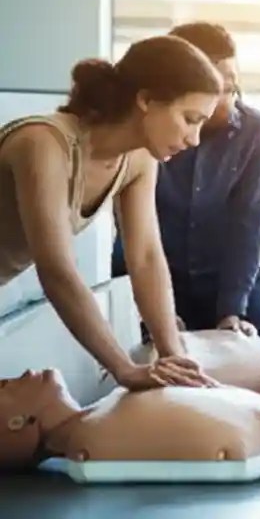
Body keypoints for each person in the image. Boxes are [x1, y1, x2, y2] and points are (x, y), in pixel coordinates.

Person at [0, 35, 222, 391]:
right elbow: (56, 270)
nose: (194, 139)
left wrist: (172, 354)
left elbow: (146, 257)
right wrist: (124, 369)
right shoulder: (43, 144)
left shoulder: (138, 160)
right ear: (146, 99)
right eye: (189, 118)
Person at [110, 22, 260, 355]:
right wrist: (154, 309)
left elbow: (248, 227)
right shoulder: (146, 134)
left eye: (234, 88)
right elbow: (132, 237)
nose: (228, 100)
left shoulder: (257, 134)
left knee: (257, 363)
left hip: (228, 278)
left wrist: (232, 310)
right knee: (155, 379)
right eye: (219, 91)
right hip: (154, 274)